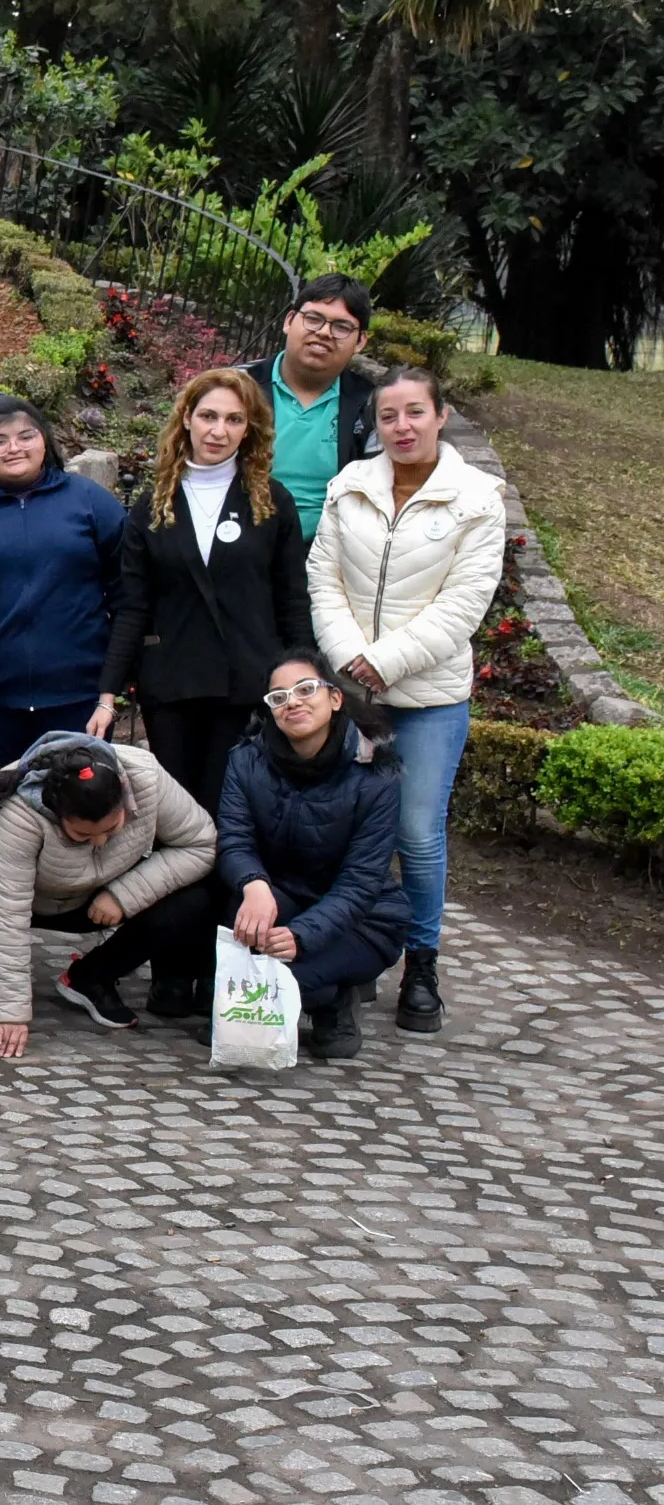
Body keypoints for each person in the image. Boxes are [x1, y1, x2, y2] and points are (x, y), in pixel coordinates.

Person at [307, 361, 504, 1035]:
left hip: (429, 697)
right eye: (388, 415)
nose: (402, 426)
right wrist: (348, 660)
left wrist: (383, 662)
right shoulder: (349, 487)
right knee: (339, 829)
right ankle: (350, 953)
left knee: (416, 833)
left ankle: (421, 963)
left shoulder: (476, 499)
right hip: (350, 689)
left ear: (440, 415)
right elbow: (324, 579)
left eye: (415, 412)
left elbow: (464, 604)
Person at [93, 368, 313, 834]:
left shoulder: (272, 502)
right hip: (173, 684)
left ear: (249, 429)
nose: (219, 430)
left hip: (246, 684)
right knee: (178, 820)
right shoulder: (153, 505)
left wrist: (304, 678)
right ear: (187, 419)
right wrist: (108, 691)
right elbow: (133, 605)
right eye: (209, 416)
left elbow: (292, 598)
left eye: (234, 419)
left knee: (230, 816)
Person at [0, 733, 219, 1054]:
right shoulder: (15, 810)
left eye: (111, 828)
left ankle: (91, 977)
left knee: (195, 898)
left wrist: (124, 895)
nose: (100, 841)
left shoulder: (145, 776)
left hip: (93, 893)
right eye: (82, 834)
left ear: (123, 793)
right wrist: (10, 1012)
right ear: (56, 811)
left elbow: (200, 844)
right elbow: (4, 910)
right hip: (0, 882)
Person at [219, 649, 412, 1062]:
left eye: (305, 690)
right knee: (241, 972)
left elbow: (361, 883)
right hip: (285, 896)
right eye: (279, 697)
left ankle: (335, 999)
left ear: (335, 698)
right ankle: (316, 985)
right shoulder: (246, 760)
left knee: (280, 984)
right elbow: (235, 839)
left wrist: (303, 936)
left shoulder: (376, 774)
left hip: (365, 920)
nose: (293, 702)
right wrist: (254, 884)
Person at [0, 394, 124, 801]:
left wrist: (111, 688)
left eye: (26, 436)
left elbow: (126, 595)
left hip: (76, 699)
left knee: (77, 815)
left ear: (45, 440)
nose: (14, 448)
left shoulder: (90, 502)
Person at [242, 273, 376, 539]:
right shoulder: (237, 387)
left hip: (329, 551)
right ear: (289, 321)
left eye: (342, 327)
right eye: (313, 319)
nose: (324, 333)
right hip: (237, 542)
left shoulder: (371, 405)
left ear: (360, 341)